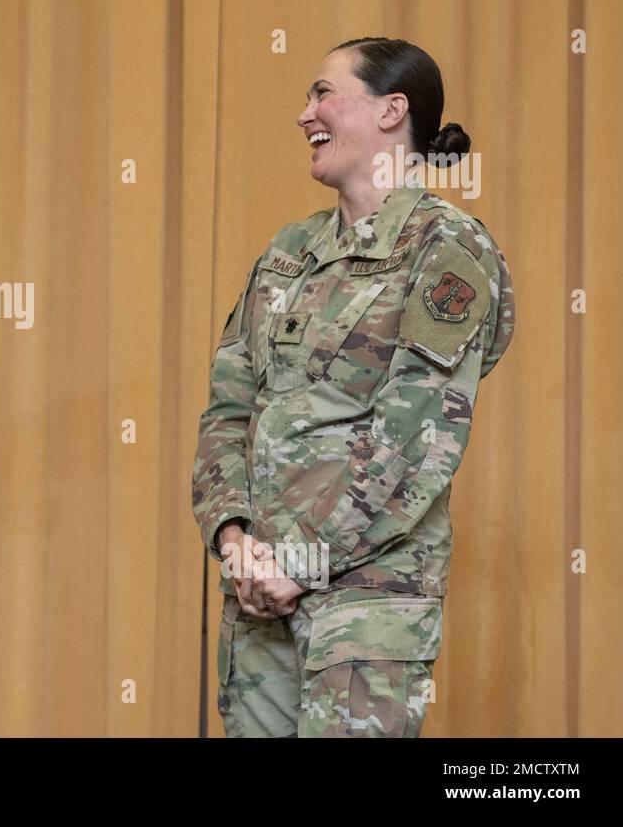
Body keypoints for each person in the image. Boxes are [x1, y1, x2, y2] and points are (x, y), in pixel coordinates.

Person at [191, 37, 515, 737]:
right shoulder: (288, 252)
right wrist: (234, 538)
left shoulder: (446, 250)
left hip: (365, 604)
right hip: (258, 599)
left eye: (322, 93)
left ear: (392, 110)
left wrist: (301, 561)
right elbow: (228, 409)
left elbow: (418, 438)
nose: (303, 113)